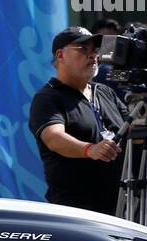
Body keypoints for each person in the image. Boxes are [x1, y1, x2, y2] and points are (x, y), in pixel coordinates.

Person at [29, 26, 129, 216]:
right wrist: (90, 149)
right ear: (60, 55)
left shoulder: (105, 91)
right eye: (83, 49)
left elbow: (133, 126)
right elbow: (53, 138)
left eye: (95, 50)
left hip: (122, 205)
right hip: (76, 212)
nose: (93, 55)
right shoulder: (48, 97)